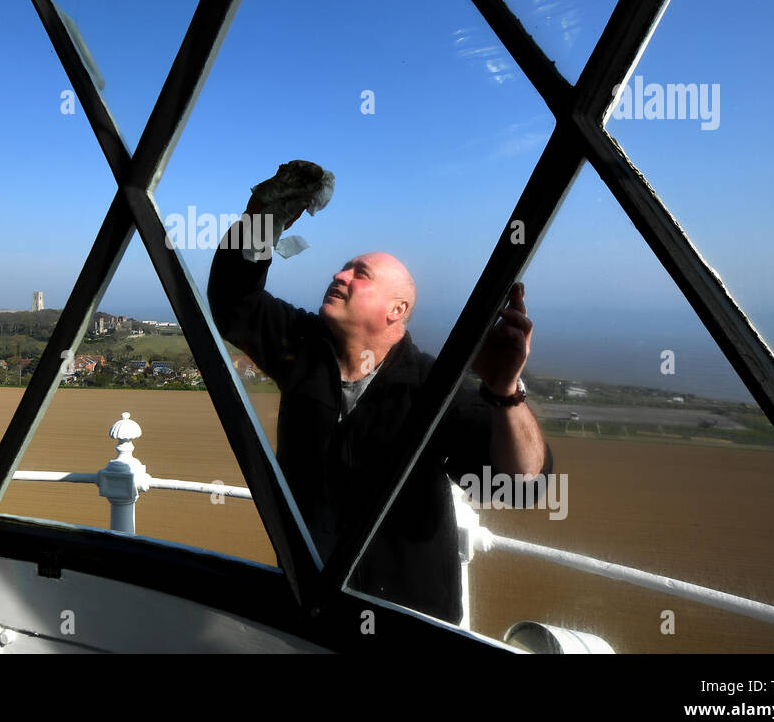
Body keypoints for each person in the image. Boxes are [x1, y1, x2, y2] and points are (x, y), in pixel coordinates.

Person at [208, 189, 552, 624]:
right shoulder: (302, 348)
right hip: (307, 604)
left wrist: (505, 392)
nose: (340, 273)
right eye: (345, 267)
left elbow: (519, 485)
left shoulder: (434, 387)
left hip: (406, 623)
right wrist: (260, 219)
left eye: (360, 273)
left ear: (397, 309)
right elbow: (233, 305)